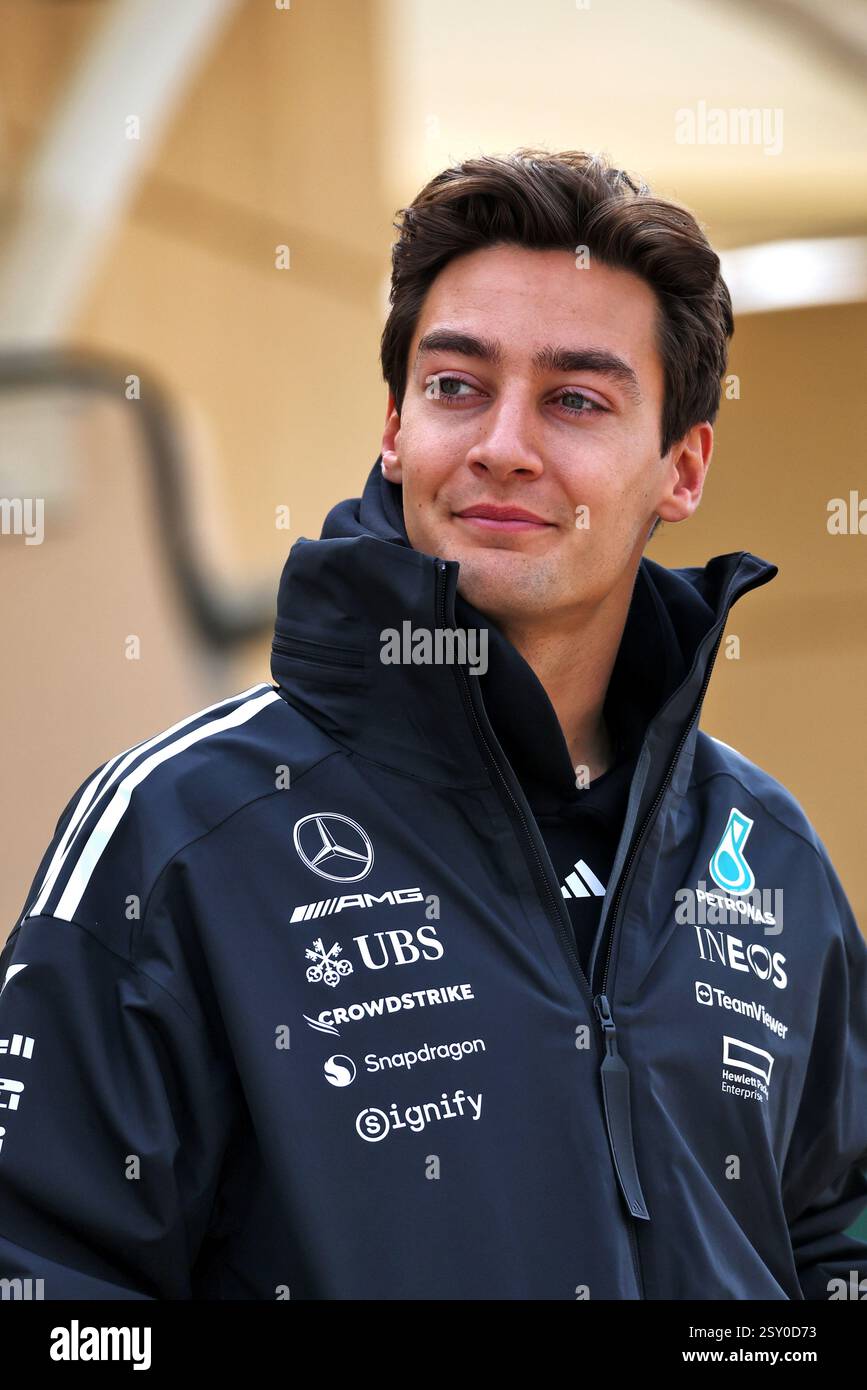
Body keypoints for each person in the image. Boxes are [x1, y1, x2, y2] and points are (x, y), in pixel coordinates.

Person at [1, 149, 865, 1301]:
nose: (502, 443)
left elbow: (831, 1241)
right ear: (396, 428)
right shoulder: (178, 833)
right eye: (457, 386)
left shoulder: (766, 853)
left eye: (576, 399)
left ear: (683, 468)